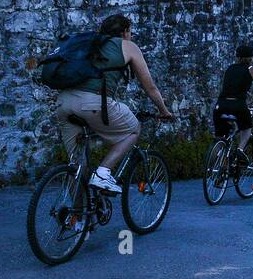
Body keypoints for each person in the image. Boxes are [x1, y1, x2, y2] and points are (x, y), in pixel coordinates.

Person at [55, 14, 174, 194]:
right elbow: (150, 88)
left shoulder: (88, 44)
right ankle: (103, 173)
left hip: (64, 103)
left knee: (78, 165)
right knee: (133, 129)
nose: (130, 36)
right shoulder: (128, 46)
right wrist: (164, 111)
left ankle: (77, 212)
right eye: (130, 32)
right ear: (125, 32)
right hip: (92, 103)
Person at [212, 42, 253, 166]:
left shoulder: (229, 69)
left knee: (220, 137)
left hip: (221, 105)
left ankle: (217, 165)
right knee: (246, 128)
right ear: (251, 58)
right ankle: (240, 150)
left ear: (237, 57)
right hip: (238, 106)